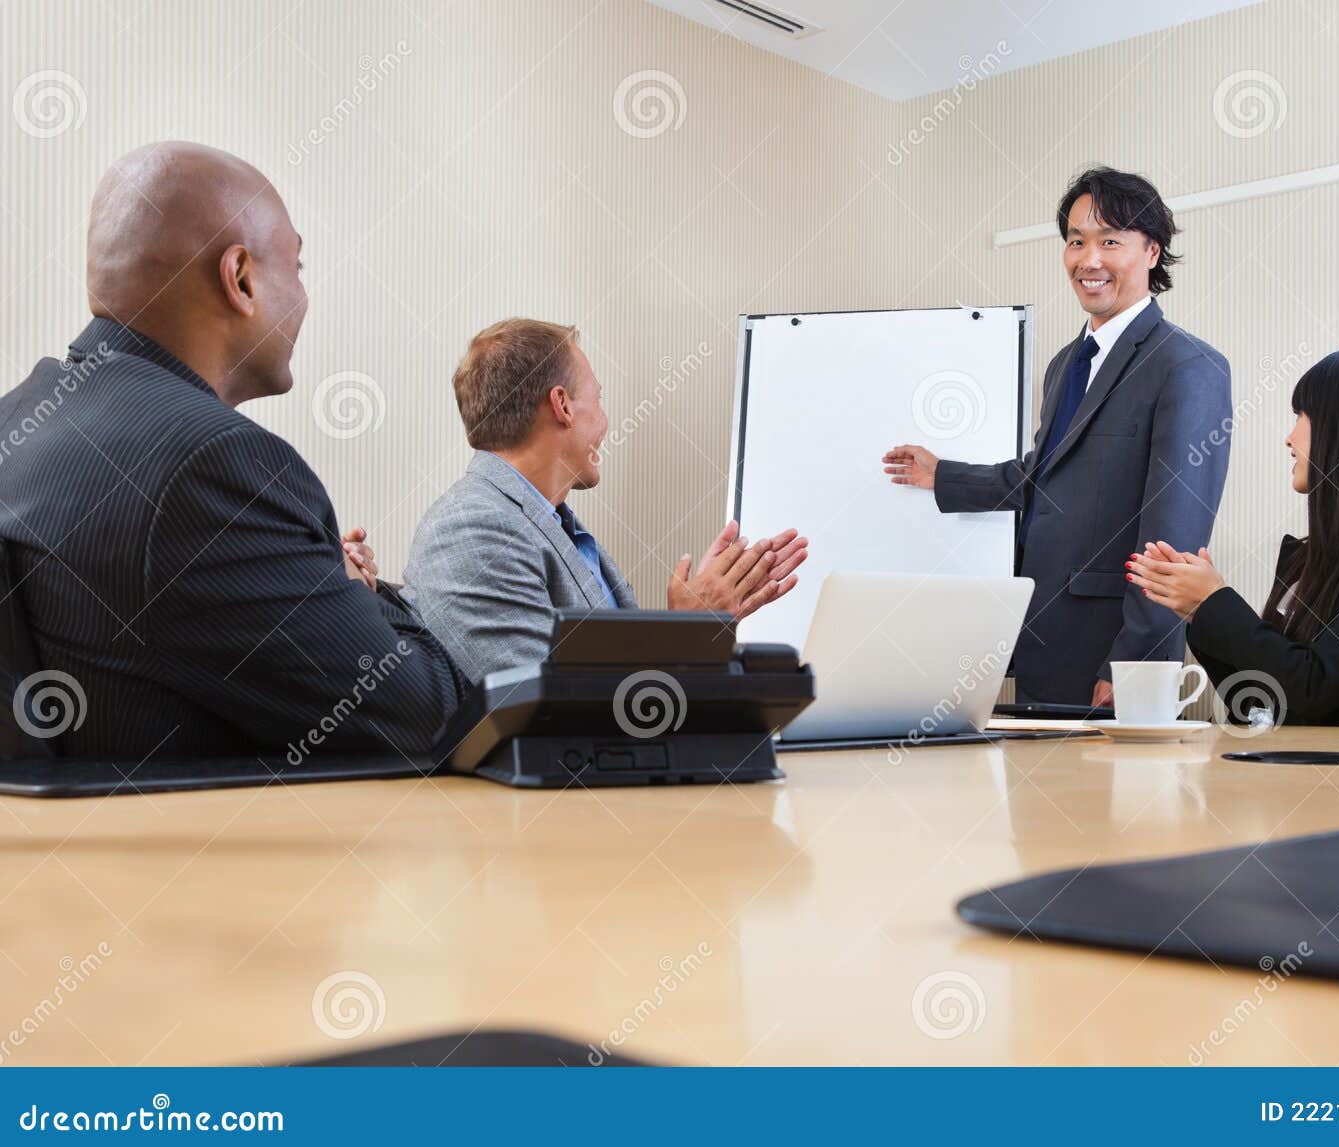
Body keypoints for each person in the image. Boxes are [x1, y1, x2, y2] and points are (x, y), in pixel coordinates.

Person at [0, 142, 469, 759]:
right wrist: (362, 592)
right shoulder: (212, 467)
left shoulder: (18, 418)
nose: (303, 295)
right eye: (297, 266)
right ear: (241, 277)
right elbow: (432, 720)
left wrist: (308, 571)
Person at [883, 167, 1232, 707]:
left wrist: (1134, 664)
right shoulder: (1065, 363)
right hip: (1043, 636)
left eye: (1109, 241)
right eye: (1076, 241)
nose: (1088, 260)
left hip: (1113, 654)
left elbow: (1174, 538)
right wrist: (944, 476)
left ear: (1152, 252)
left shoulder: (1187, 366)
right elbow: (1049, 478)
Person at [403, 319, 808, 681]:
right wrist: (688, 631)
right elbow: (547, 707)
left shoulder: (555, 527)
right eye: (597, 399)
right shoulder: (471, 530)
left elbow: (608, 674)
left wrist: (695, 628)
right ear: (562, 405)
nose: (605, 422)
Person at [1127, 348, 1339, 728]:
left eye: (1304, 415)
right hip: (1291, 759)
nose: (1289, 438)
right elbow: (1256, 703)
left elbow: (1310, 689)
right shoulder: (1309, 556)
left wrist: (1214, 602)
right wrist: (1199, 612)